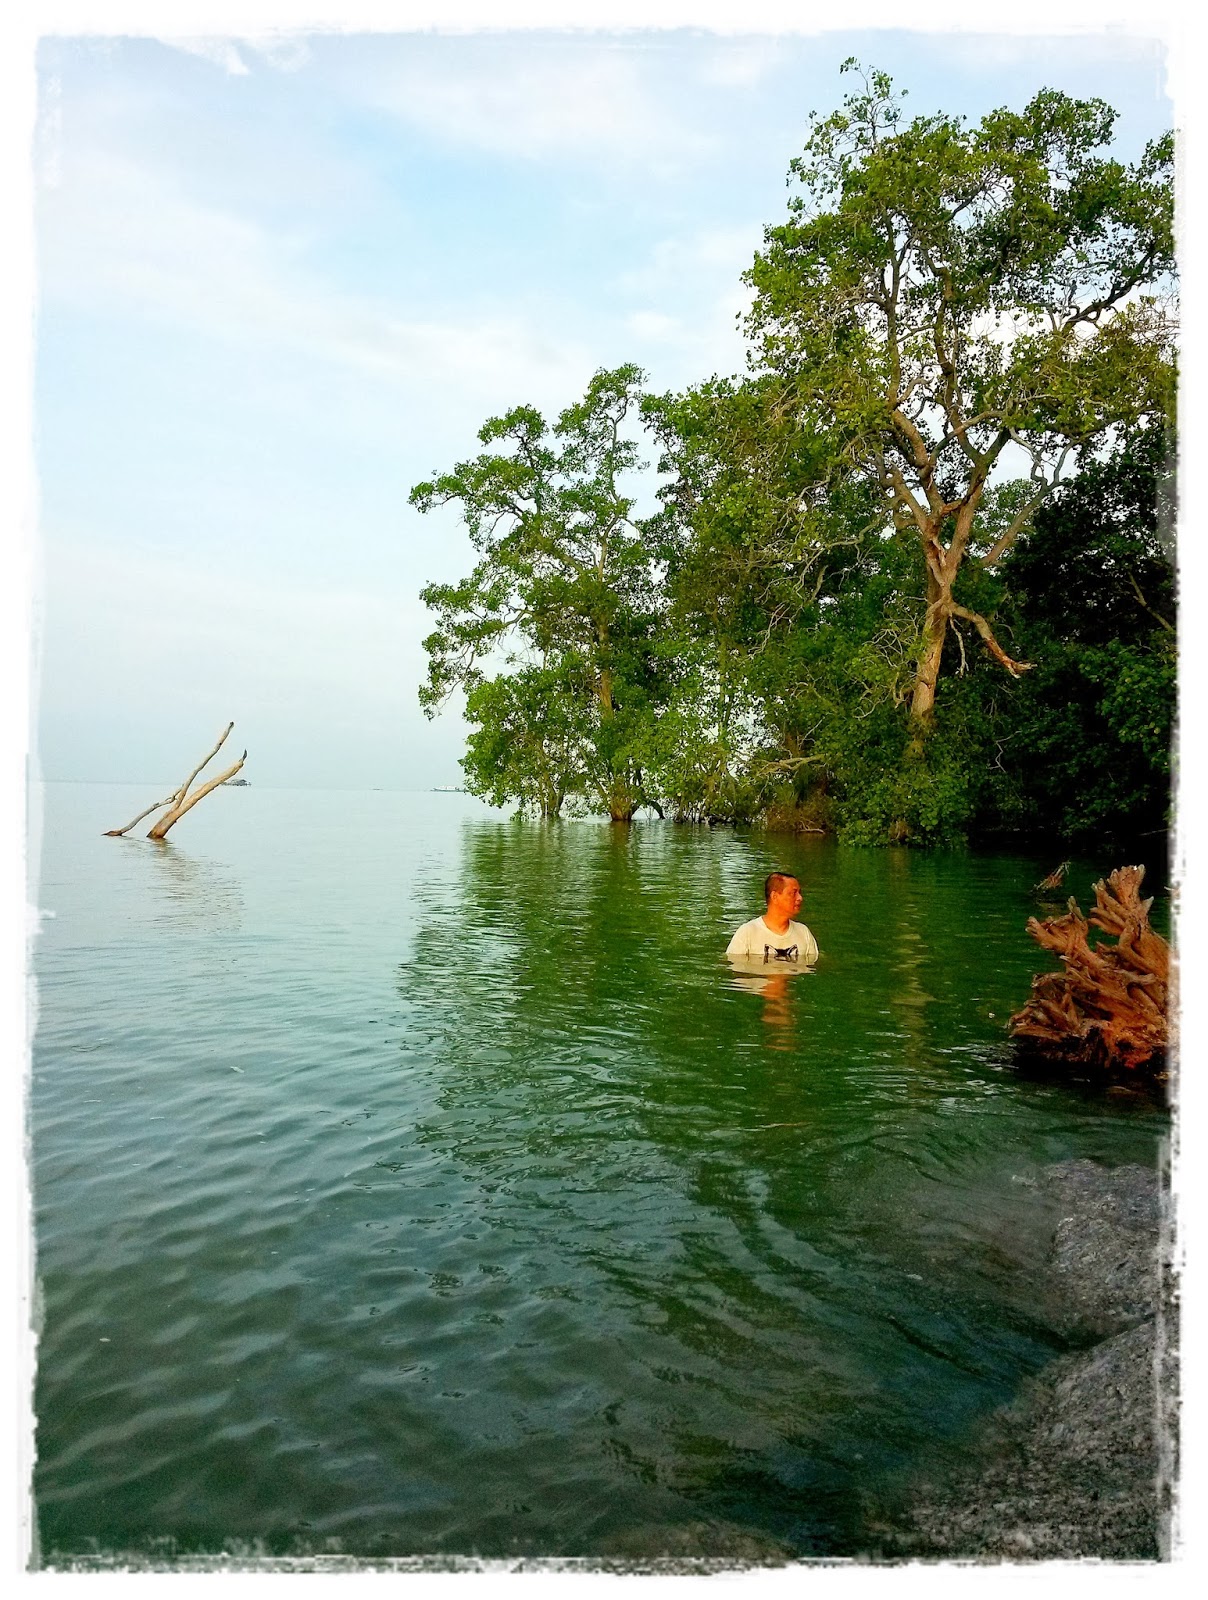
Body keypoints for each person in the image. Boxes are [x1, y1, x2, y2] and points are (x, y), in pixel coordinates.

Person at [726, 872, 818, 965]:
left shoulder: (803, 933)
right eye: (793, 893)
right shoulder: (747, 933)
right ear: (775, 897)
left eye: (799, 893)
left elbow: (813, 967)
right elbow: (734, 968)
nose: (800, 898)